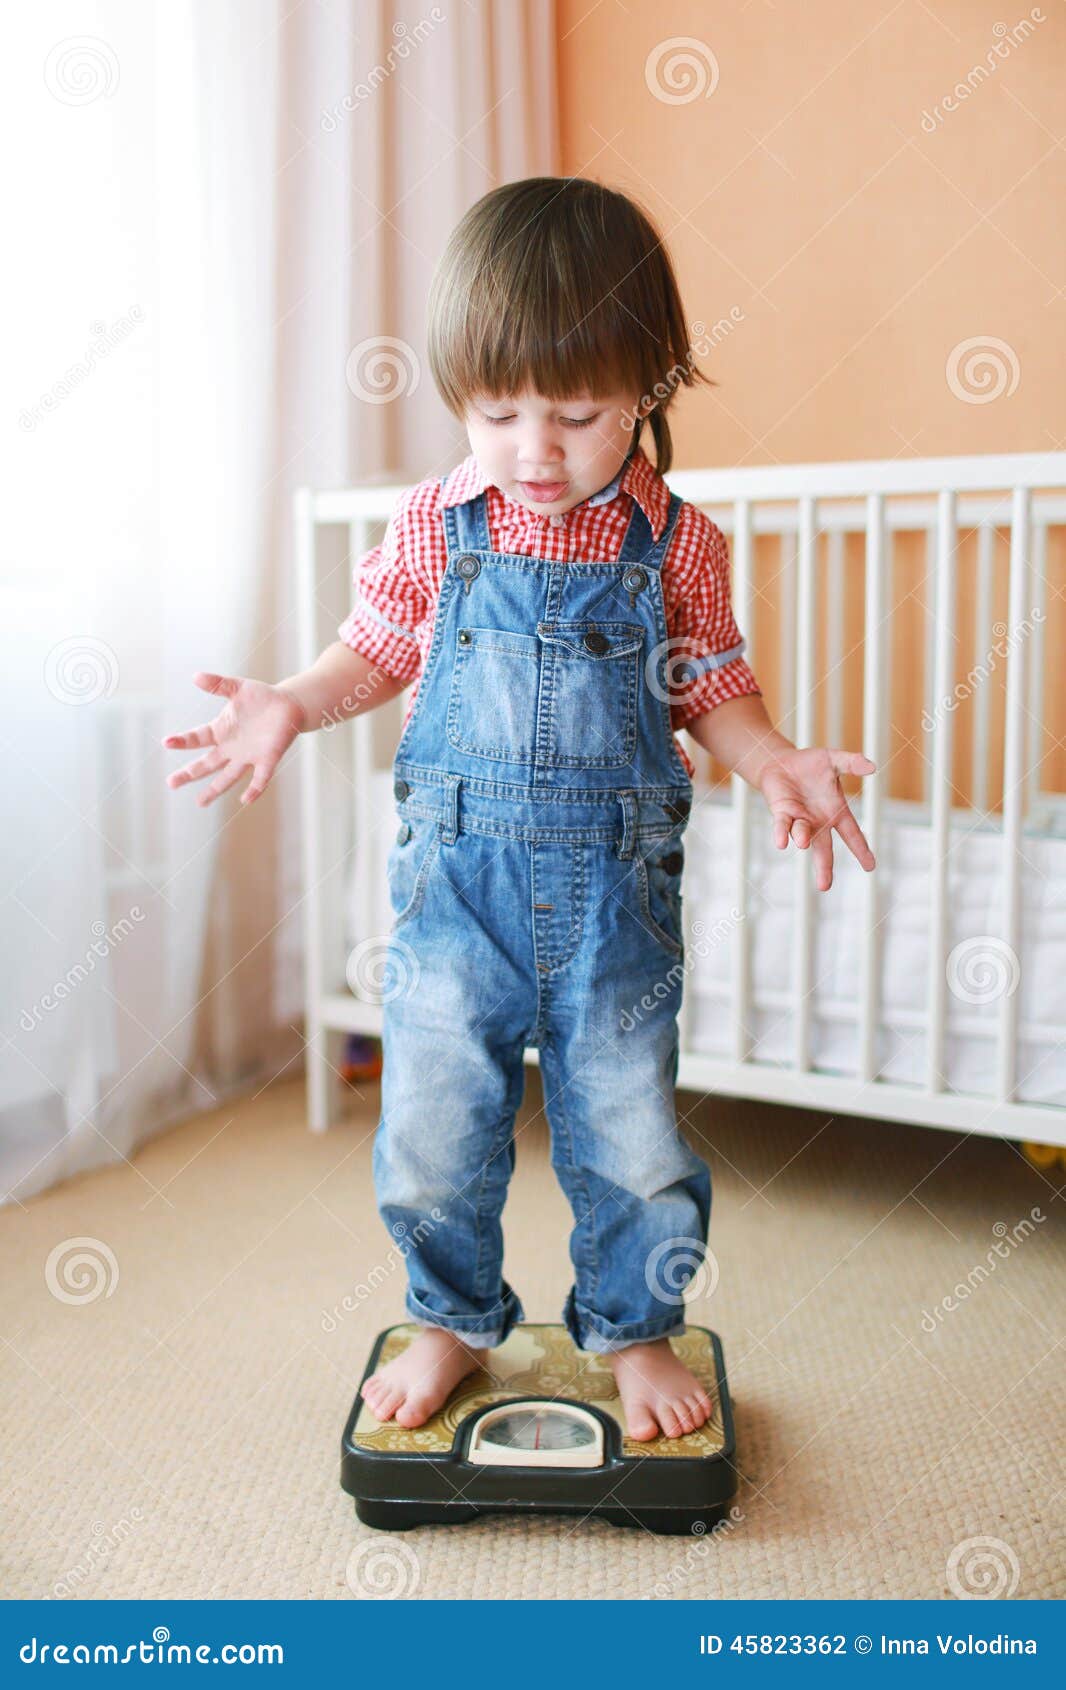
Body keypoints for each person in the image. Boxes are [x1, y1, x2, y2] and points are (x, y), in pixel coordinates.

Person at [162, 177, 875, 1442]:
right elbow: (371, 657)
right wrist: (288, 699)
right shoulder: (437, 525)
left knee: (633, 1135)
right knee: (434, 1129)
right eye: (496, 411)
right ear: (458, 399)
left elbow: (710, 686)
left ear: (647, 388)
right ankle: (446, 1318)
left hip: (616, 912)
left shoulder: (678, 546)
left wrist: (774, 761)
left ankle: (636, 1328)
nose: (533, 448)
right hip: (455, 902)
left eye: (576, 411)